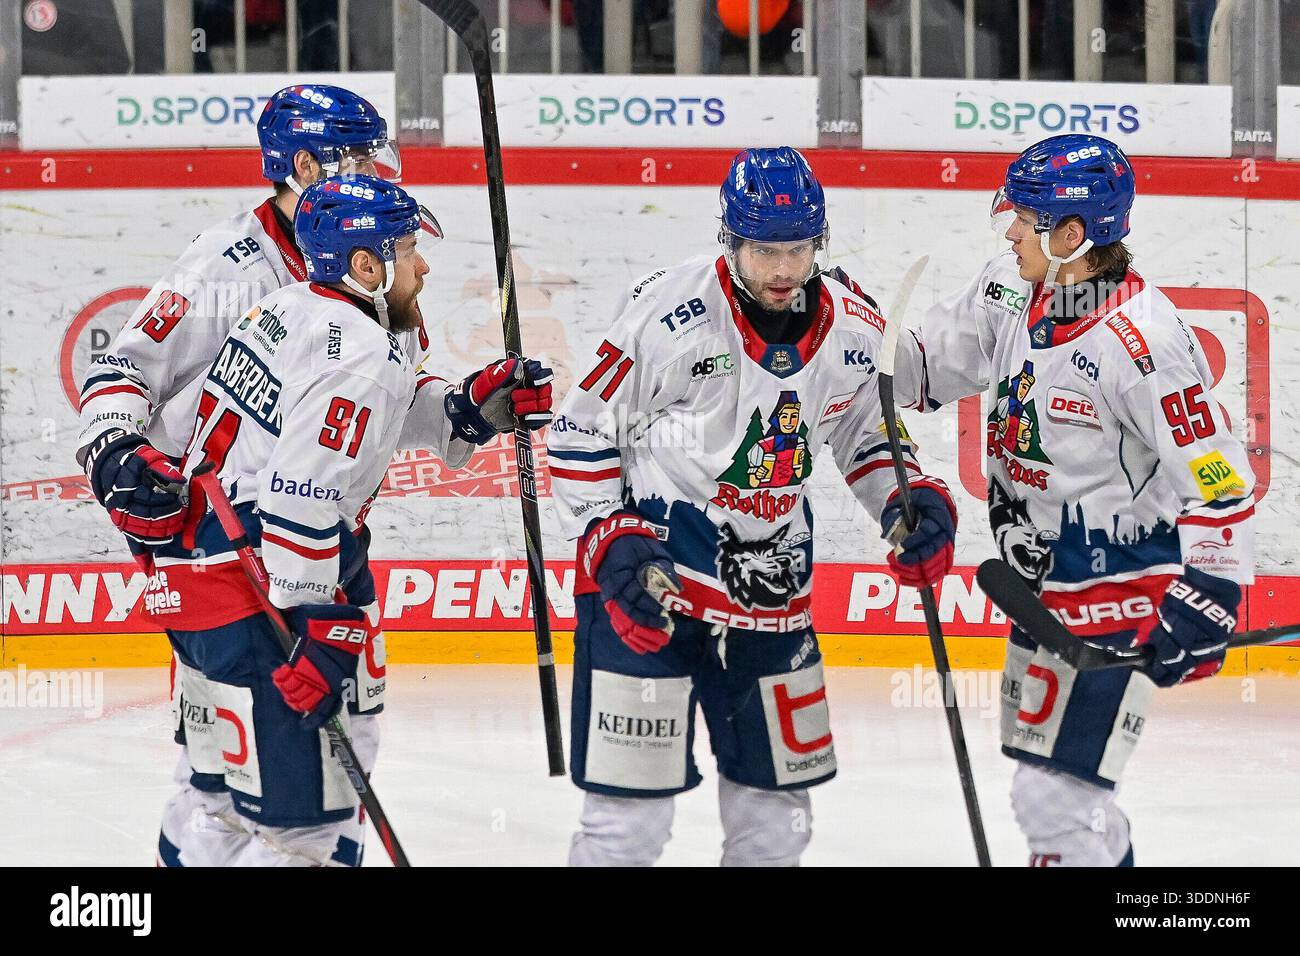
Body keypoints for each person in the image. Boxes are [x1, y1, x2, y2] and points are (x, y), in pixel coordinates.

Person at [73, 84, 532, 865]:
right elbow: (125, 364)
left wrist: (459, 408)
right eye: (361, 155)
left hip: (264, 551)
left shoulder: (368, 250)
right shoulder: (233, 263)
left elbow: (379, 396)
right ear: (307, 164)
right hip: (237, 547)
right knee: (286, 794)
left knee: (221, 784)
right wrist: (115, 447)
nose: (382, 168)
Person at [547, 146, 958, 866]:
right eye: (764, 249)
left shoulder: (854, 327)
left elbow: (865, 431)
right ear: (730, 240)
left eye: (798, 249)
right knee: (627, 824)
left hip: (771, 594)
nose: (782, 269)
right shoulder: (666, 313)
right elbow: (582, 431)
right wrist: (610, 540)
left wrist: (907, 499)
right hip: (650, 587)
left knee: (776, 822)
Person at [892, 133, 1256, 866]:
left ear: (1074, 234)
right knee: (1053, 795)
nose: (1011, 231)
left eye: (1026, 218)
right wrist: (844, 331)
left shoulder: (1141, 339)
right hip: (1044, 593)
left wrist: (1212, 588)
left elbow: (1219, 478)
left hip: (1123, 594)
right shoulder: (1012, 287)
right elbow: (923, 366)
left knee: (1055, 800)